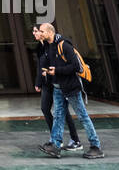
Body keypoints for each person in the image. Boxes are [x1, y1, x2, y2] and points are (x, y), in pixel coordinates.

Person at [40, 22, 104, 159]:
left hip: (70, 88)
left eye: (42, 31)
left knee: (83, 117)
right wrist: (50, 73)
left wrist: (57, 71)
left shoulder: (64, 45)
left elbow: (74, 66)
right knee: (58, 116)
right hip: (58, 87)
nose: (40, 33)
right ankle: (55, 145)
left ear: (50, 32)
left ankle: (95, 146)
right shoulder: (49, 46)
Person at [33, 23, 80, 152]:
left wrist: (50, 71)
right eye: (35, 31)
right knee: (45, 108)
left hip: (57, 81)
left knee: (64, 113)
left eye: (37, 31)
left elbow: (60, 62)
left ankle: (74, 139)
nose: (35, 33)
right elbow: (39, 66)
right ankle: (54, 138)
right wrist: (38, 82)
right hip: (47, 83)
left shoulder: (55, 44)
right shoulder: (40, 47)